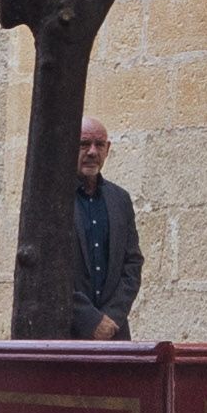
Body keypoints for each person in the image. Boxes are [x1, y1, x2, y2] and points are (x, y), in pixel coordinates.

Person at [71, 118, 143, 340]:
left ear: (108, 149)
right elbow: (48, 271)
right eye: (84, 144)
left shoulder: (120, 199)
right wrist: (91, 320)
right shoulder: (54, 201)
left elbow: (133, 263)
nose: (92, 152)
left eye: (99, 145)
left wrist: (112, 316)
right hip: (67, 333)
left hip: (114, 333)